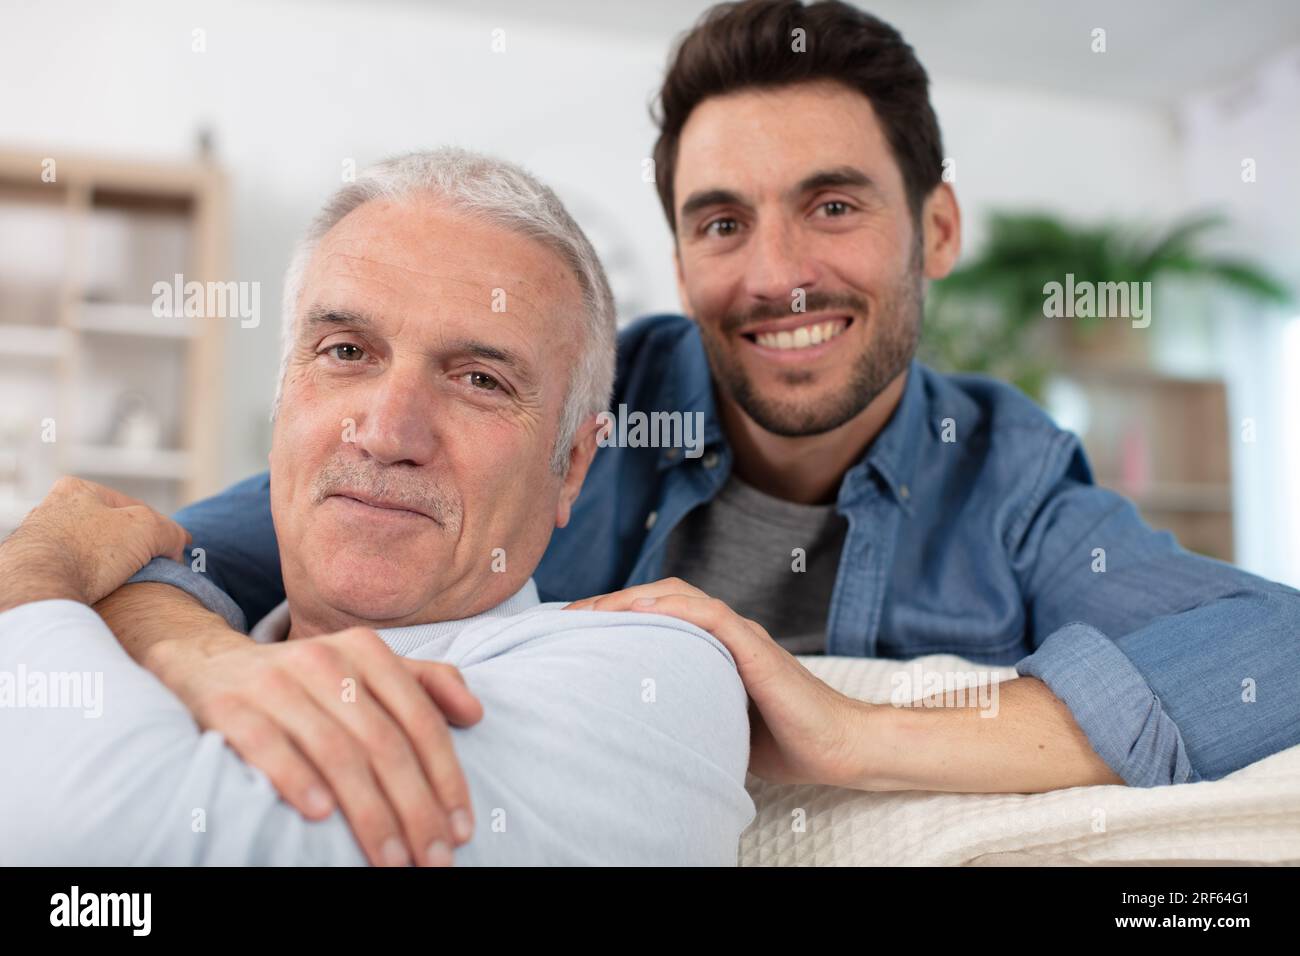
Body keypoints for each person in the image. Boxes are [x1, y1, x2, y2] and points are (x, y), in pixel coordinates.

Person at [86, 0, 1300, 828]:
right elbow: (162, 550)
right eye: (723, 222)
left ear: (935, 228)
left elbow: (1267, 649)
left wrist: (852, 731)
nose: (776, 273)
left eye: (832, 206)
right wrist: (204, 652)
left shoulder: (1005, 473)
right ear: (678, 259)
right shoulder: (551, 414)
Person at [0, 149, 754, 867]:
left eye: (480, 380)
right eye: (346, 352)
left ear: (572, 470)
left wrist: (32, 570)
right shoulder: (124, 631)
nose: (387, 434)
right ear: (280, 403)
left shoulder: (656, 679)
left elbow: (115, 847)